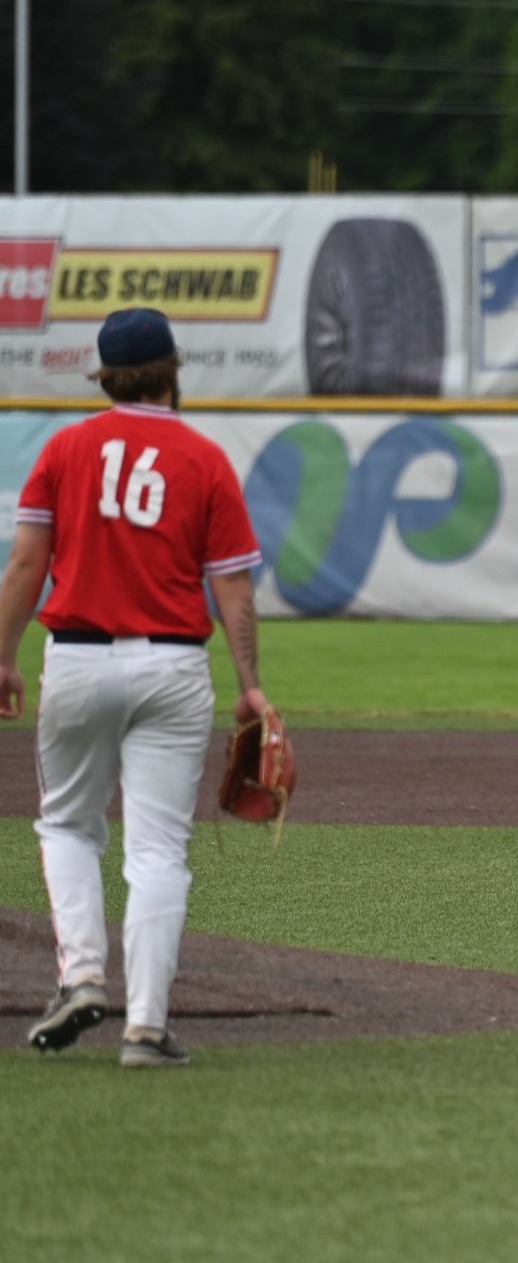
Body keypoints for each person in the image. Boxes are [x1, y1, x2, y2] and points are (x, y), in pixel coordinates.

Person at [0, 307, 269, 1067]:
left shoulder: (66, 447)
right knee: (158, 851)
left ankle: (81, 975)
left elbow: (25, 566)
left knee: (67, 826)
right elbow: (236, 593)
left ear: (104, 374)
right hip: (174, 667)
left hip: (79, 660)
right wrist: (251, 687)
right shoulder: (205, 458)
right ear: (171, 368)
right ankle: (146, 1028)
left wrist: (3, 656)